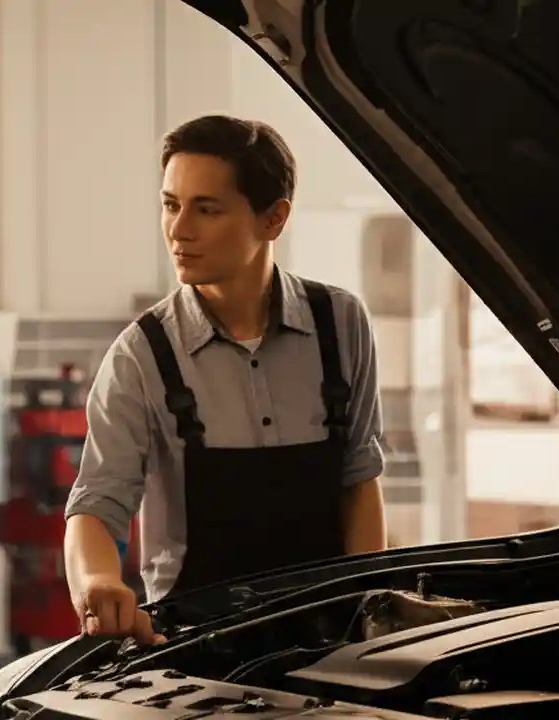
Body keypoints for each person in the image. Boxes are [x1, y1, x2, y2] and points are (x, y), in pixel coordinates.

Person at [63, 115, 388, 643]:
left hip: (330, 637)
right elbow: (97, 505)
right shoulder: (142, 355)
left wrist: (367, 609)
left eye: (206, 209)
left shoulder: (342, 324)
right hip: (193, 645)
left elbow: (359, 479)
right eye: (171, 205)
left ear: (274, 219)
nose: (179, 229)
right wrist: (96, 581)